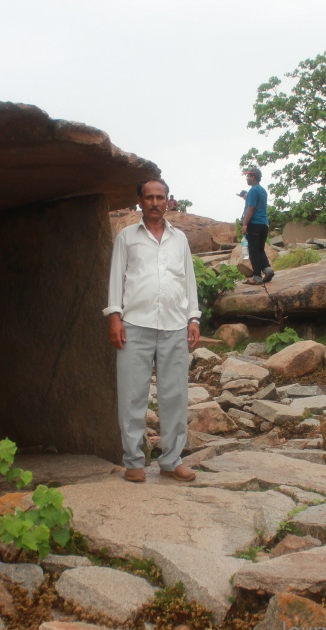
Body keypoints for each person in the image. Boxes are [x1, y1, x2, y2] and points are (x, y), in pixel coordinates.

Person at [105, 178, 200, 484]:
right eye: (149, 197)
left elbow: (188, 281)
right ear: (140, 201)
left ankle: (171, 461)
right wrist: (114, 317)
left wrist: (194, 318)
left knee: (175, 396)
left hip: (175, 325)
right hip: (135, 325)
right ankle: (133, 461)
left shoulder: (179, 239)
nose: (155, 202)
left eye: (160, 197)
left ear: (168, 200)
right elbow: (116, 278)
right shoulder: (126, 238)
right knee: (132, 396)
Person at [241, 167, 273, 285]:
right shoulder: (263, 191)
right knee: (260, 249)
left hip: (254, 224)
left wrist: (245, 224)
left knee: (253, 251)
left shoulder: (253, 191)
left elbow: (251, 207)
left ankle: (257, 277)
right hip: (264, 224)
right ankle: (267, 270)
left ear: (253, 177)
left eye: (248, 176)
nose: (247, 178)